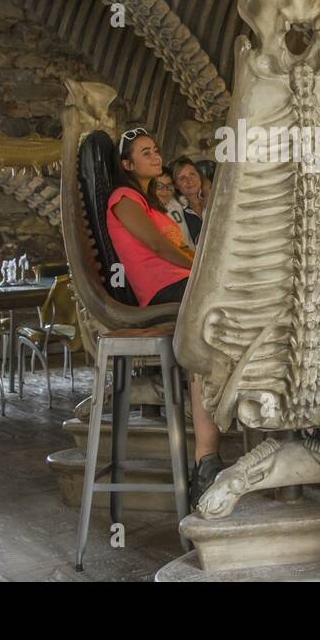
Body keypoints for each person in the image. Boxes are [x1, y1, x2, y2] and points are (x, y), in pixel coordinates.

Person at [106, 128, 224, 500]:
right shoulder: (123, 197)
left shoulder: (152, 203)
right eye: (145, 153)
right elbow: (156, 245)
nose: (156, 157)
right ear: (127, 164)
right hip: (161, 290)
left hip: (182, 281)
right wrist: (202, 267)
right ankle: (207, 458)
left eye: (156, 150)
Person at [150, 167, 194, 249]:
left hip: (193, 255)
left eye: (169, 186)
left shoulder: (176, 202)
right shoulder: (148, 211)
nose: (165, 191)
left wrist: (206, 186)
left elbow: (196, 194)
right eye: (159, 186)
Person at [169, 157, 207, 246]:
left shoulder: (215, 194)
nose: (189, 181)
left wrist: (207, 189)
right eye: (182, 178)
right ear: (175, 185)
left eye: (192, 174)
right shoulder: (176, 209)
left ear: (199, 175)